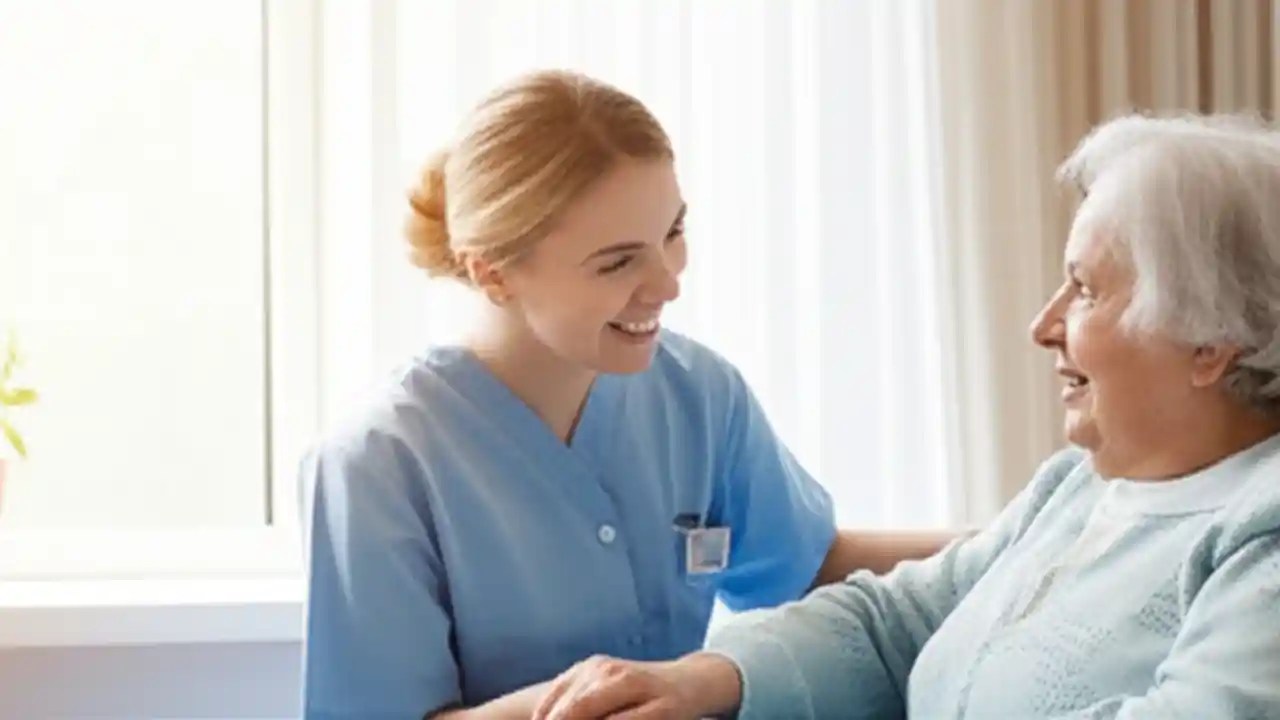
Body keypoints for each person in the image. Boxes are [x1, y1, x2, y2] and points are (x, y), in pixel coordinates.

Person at [530, 113, 1280, 720]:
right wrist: (698, 679)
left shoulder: (1260, 532)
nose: (1043, 325)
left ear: (1211, 341)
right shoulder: (1076, 489)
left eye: (1084, 291)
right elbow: (896, 621)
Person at [298, 69, 953, 720]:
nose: (667, 284)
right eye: (617, 262)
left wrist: (1006, 544)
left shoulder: (699, 394)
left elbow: (808, 564)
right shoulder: (377, 464)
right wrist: (610, 697)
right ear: (492, 273)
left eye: (673, 234)